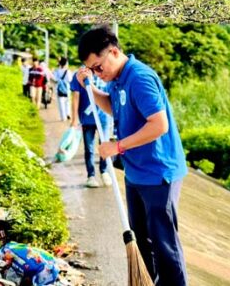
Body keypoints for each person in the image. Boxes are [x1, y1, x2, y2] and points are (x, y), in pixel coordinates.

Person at [77, 27, 189, 286]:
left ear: (114, 52)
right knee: (141, 240)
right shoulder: (116, 80)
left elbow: (158, 124)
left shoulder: (139, 77)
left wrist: (117, 147)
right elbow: (114, 108)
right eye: (92, 70)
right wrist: (91, 88)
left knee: (165, 246)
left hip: (159, 173)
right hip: (136, 172)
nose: (97, 73)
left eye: (98, 67)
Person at [69, 63, 114, 188]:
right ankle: (91, 175)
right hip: (87, 119)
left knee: (104, 145)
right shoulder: (80, 74)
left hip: (104, 118)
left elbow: (111, 95)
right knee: (89, 148)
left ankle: (104, 171)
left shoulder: (105, 71)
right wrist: (74, 119)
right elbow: (75, 98)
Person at [54, 57, 73, 122]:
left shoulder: (57, 71)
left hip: (59, 89)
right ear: (65, 64)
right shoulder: (68, 71)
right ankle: (68, 113)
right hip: (67, 89)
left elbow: (55, 79)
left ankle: (63, 117)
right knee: (67, 102)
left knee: (61, 104)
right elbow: (70, 80)